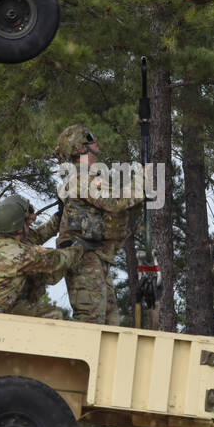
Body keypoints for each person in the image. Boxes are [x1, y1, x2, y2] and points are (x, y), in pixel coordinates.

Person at [55, 124, 145, 325]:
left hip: (95, 255)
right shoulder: (81, 178)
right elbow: (116, 201)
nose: (96, 145)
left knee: (110, 321)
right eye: (91, 140)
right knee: (91, 321)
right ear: (81, 148)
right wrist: (143, 180)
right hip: (84, 257)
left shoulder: (84, 177)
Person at [0, 194, 89, 317]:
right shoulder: (24, 255)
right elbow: (58, 260)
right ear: (19, 227)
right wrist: (78, 247)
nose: (32, 220)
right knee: (54, 315)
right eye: (26, 222)